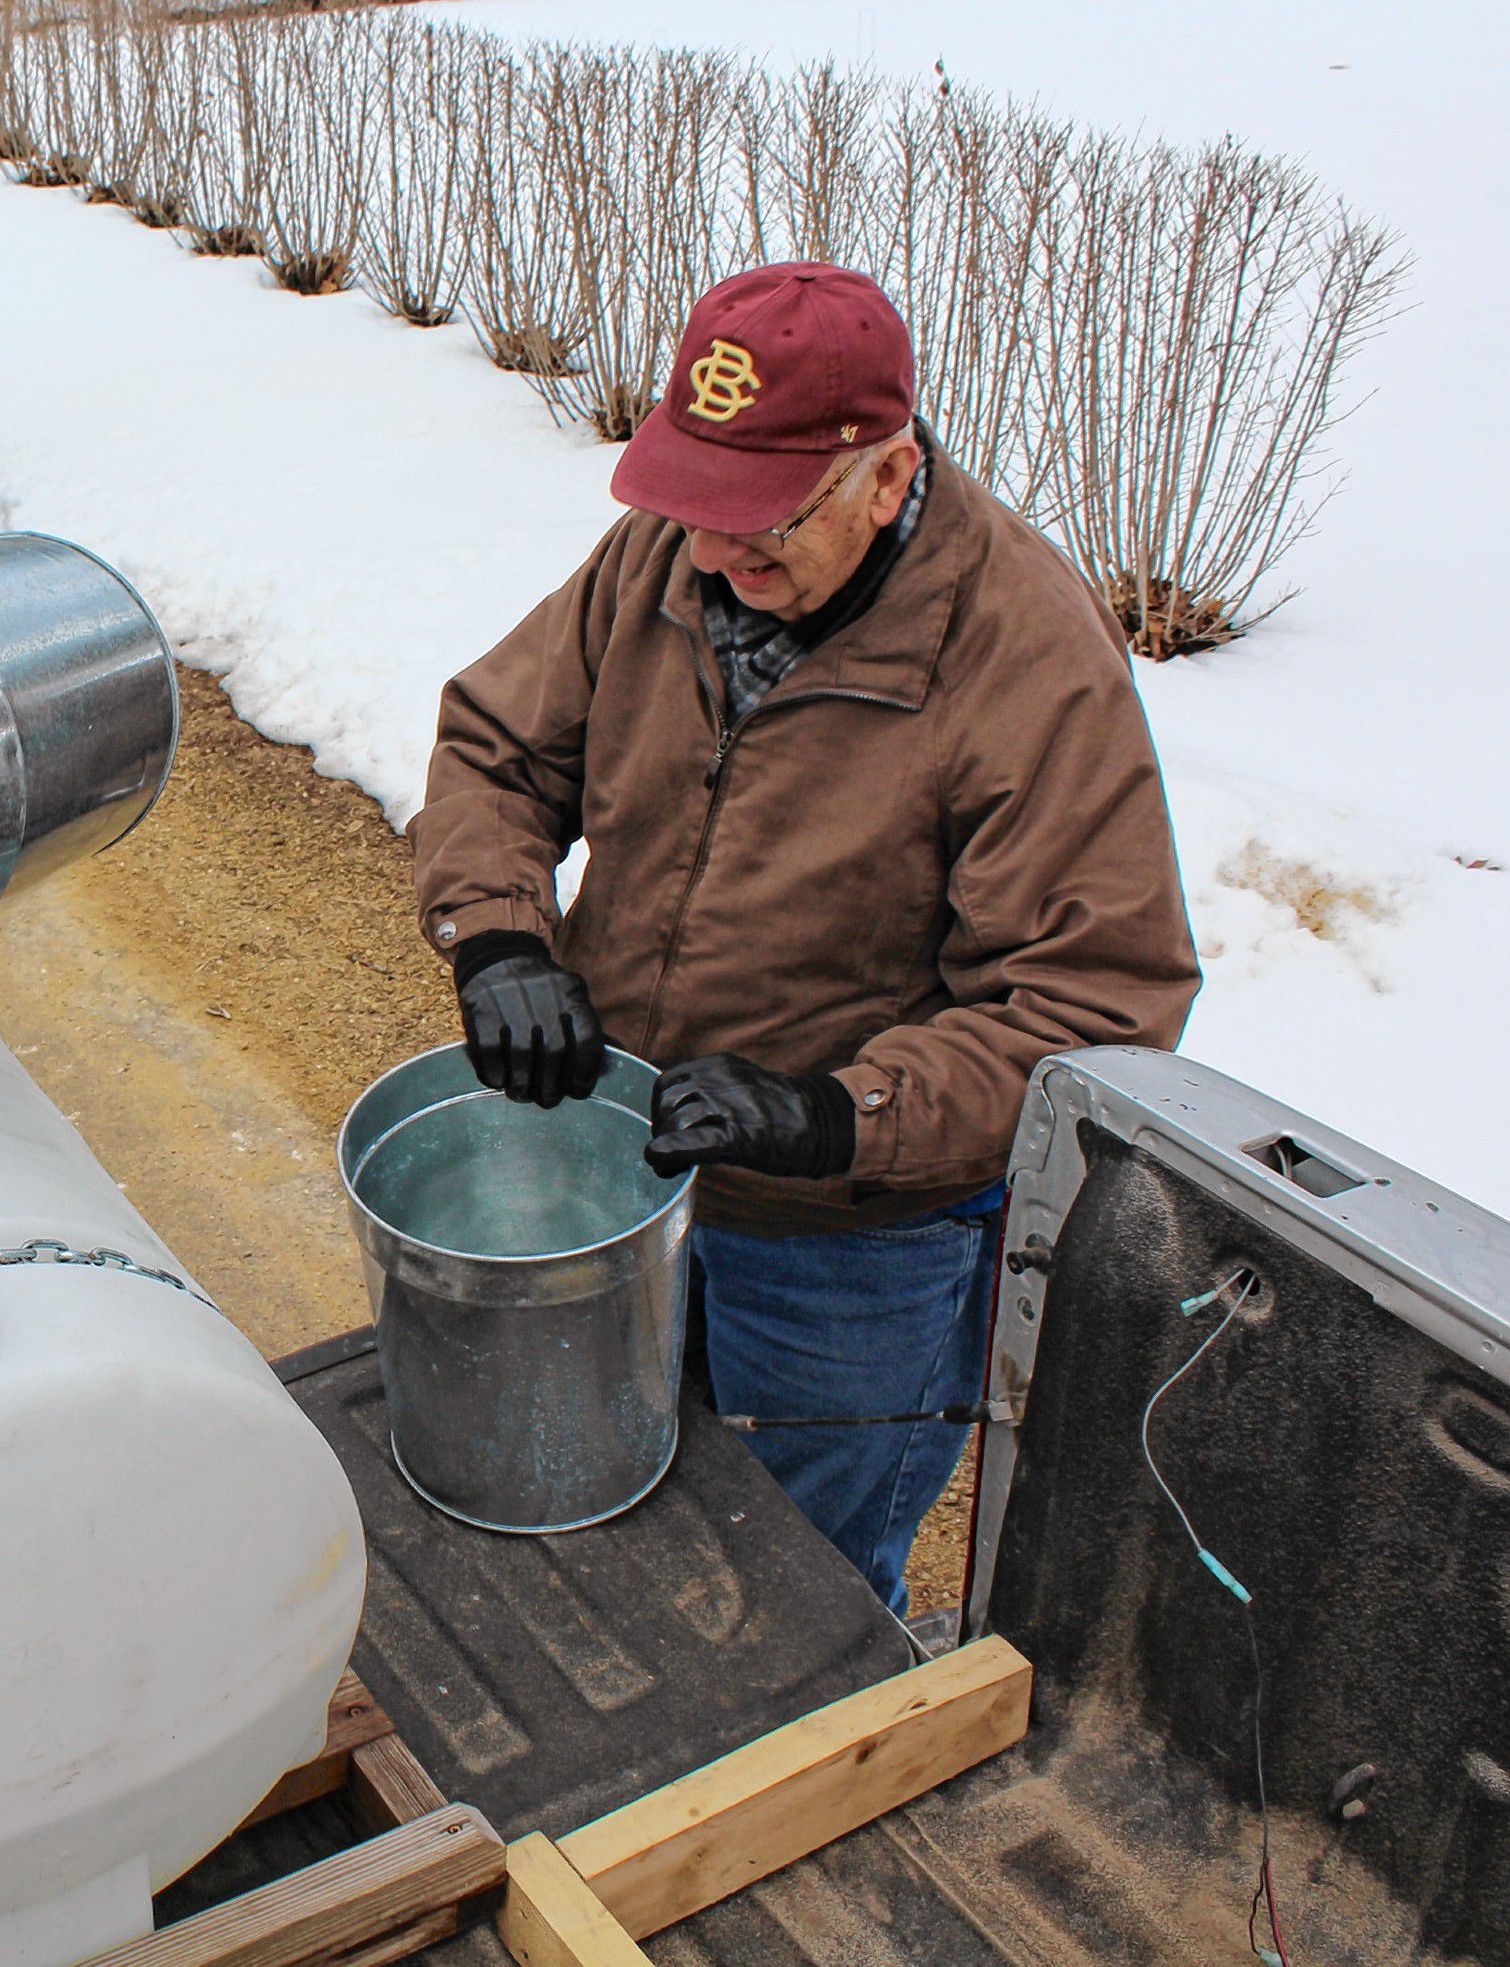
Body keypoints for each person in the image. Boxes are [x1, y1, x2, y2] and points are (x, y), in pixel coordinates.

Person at [411, 263, 1201, 1613]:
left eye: (762, 527)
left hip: (858, 1244)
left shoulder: (1025, 657)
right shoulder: (676, 547)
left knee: (800, 1586)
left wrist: (836, 1115)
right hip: (627, 1165)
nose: (715, 556)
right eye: (695, 510)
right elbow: (497, 746)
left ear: (886, 480)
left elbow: (1095, 1000)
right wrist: (500, 942)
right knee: (618, 1480)